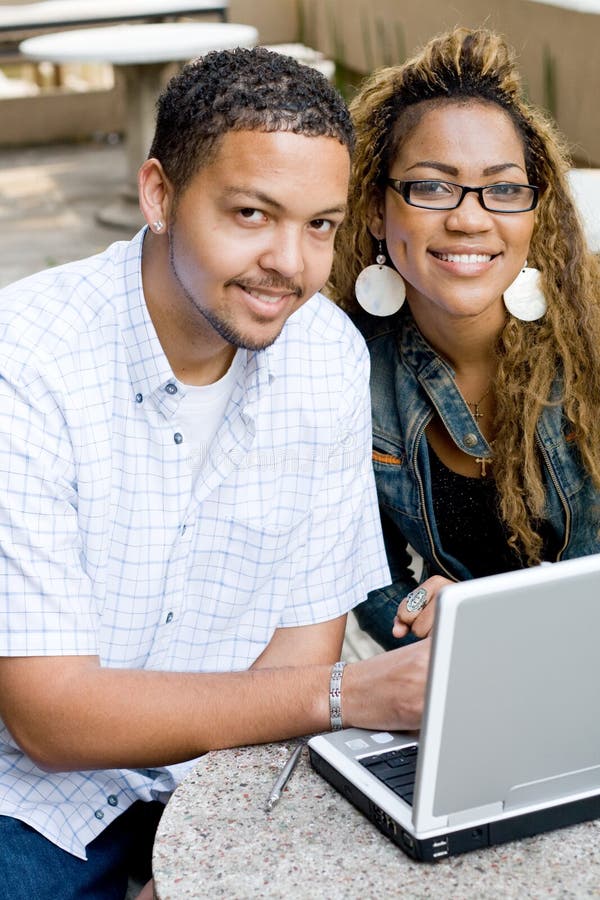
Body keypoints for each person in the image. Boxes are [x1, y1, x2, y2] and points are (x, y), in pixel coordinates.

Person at [0, 47, 431, 899]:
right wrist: (346, 694)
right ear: (159, 194)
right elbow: (49, 716)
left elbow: (305, 641)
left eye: (320, 224)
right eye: (250, 213)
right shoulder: (30, 359)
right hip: (34, 800)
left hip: (229, 774)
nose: (291, 263)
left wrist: (209, 852)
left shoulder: (325, 357)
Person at [327, 27, 600, 650]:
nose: (470, 218)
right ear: (376, 208)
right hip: (478, 683)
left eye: (503, 189)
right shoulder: (345, 368)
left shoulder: (593, 341)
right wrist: (428, 607)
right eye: (431, 185)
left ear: (535, 211)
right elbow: (365, 580)